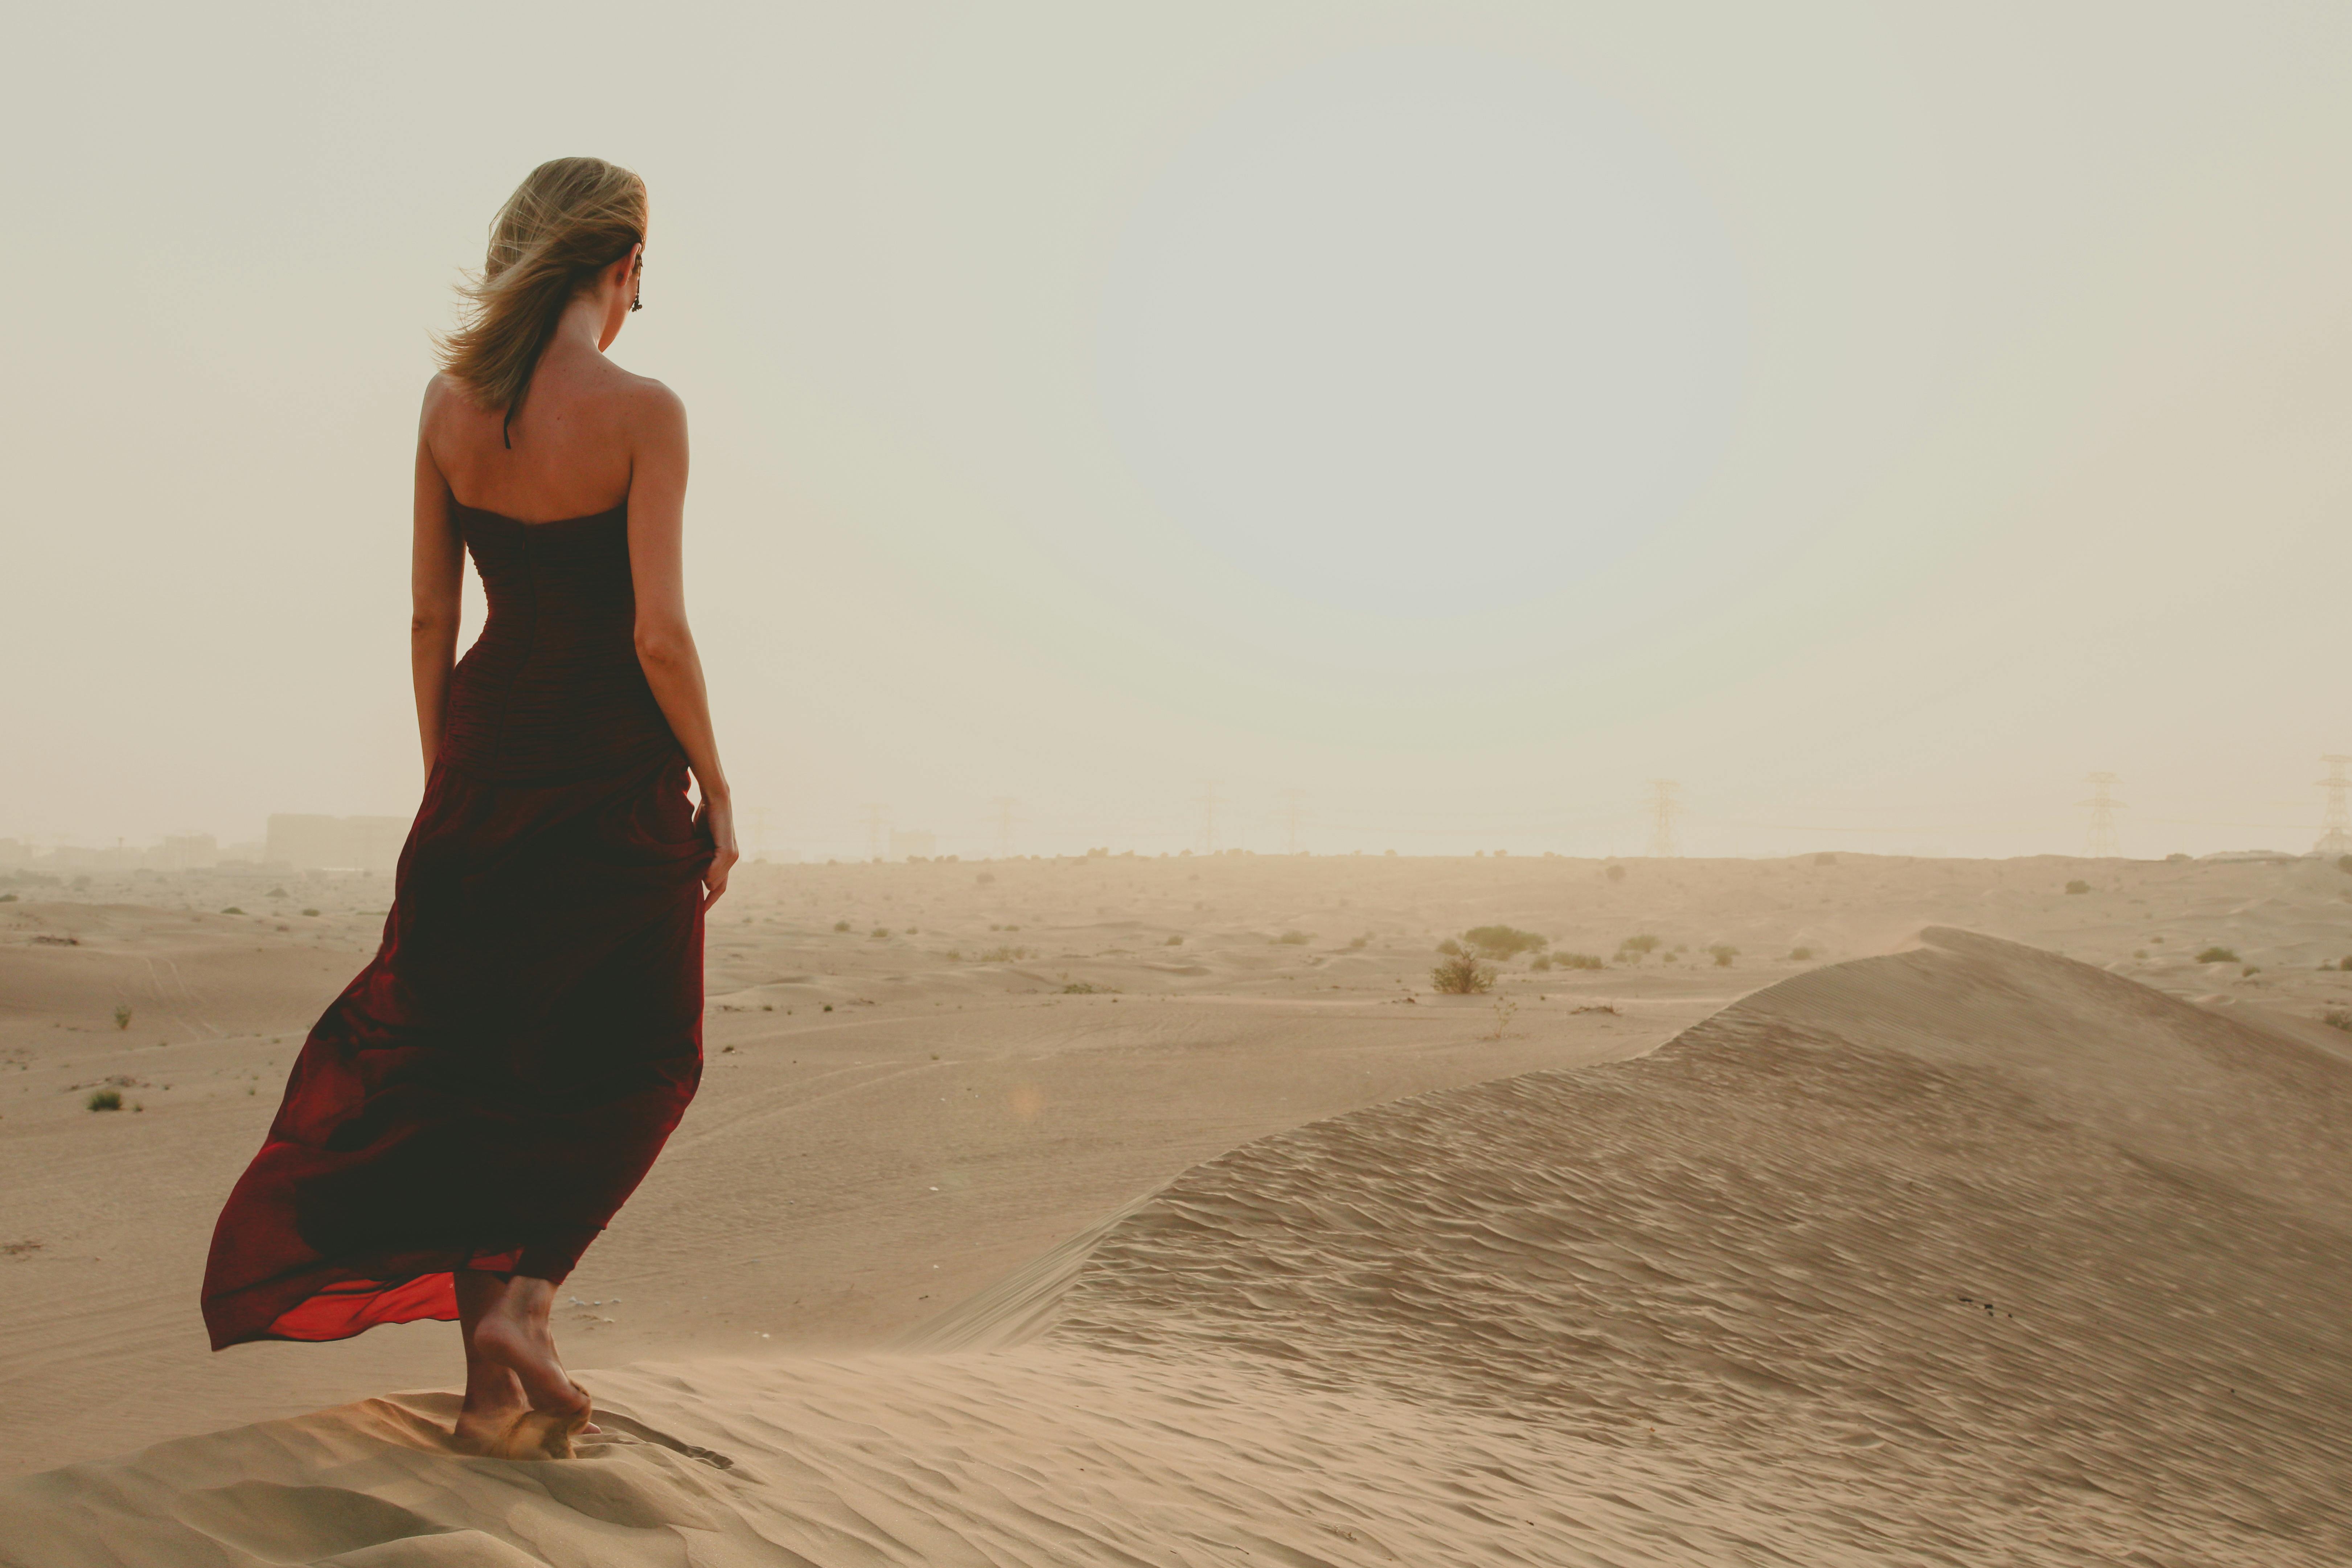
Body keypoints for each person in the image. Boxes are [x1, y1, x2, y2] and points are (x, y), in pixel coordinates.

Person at [200, 157, 737, 1461]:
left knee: (477, 1068)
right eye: (637, 287)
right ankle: (531, 1307)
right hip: (613, 776)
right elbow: (659, 635)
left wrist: (450, 780)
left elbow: (432, 616)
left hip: (484, 762)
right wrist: (717, 788)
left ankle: (488, 1385)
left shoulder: (450, 408)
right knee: (651, 1053)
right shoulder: (644, 411)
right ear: (619, 270)